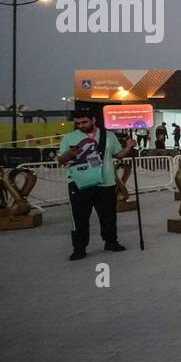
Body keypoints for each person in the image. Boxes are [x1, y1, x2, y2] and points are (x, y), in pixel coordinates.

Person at [56, 109, 135, 260]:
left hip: (106, 182)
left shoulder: (108, 136)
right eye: (78, 123)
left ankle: (111, 242)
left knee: (108, 216)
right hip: (79, 183)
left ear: (93, 120)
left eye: (84, 122)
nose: (81, 125)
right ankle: (79, 248)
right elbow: (60, 160)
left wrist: (128, 147)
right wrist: (69, 154)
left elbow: (118, 155)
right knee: (79, 217)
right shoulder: (69, 137)